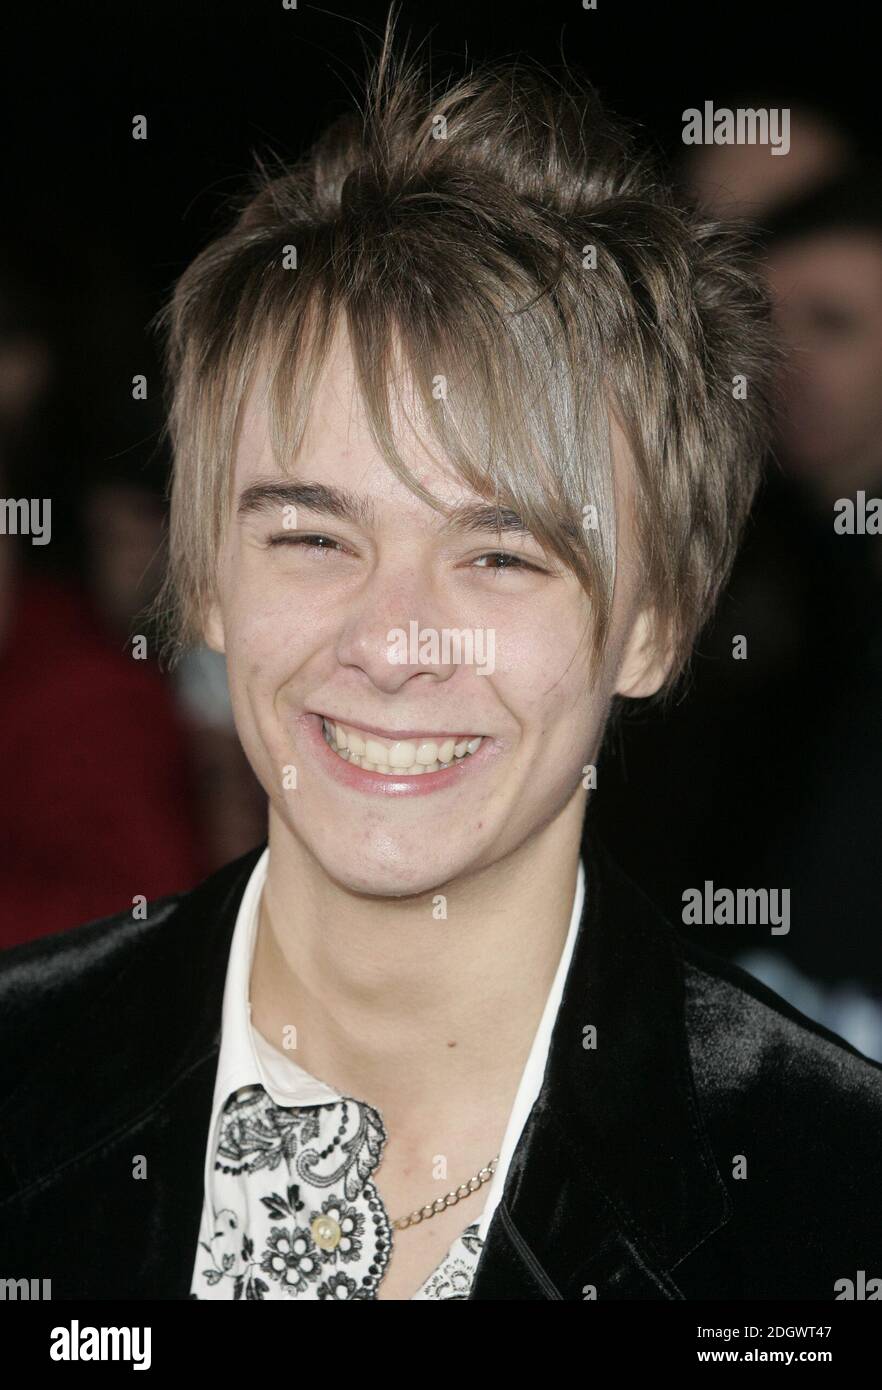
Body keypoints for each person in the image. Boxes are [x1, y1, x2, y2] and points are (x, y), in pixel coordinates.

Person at [1, 19, 880, 1301]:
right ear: (206, 581)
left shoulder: (829, 1201)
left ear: (657, 622)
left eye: (502, 555)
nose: (393, 642)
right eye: (313, 535)